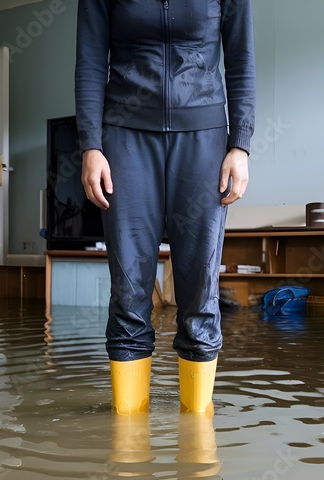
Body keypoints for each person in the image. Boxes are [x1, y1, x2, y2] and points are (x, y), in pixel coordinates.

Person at [75, 0, 256, 414]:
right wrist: (91, 144)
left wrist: (240, 144)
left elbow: (242, 59)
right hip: (124, 138)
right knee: (129, 292)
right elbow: (88, 63)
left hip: (205, 140)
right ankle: (128, 446)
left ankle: (196, 439)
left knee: (199, 294)